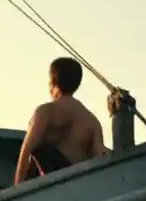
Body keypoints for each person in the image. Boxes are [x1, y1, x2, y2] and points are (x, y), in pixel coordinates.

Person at [13, 57, 109, 186]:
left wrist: (16, 190)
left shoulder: (46, 112)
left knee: (37, 149)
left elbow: (25, 152)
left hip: (54, 185)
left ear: (52, 81)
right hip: (79, 184)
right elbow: (100, 155)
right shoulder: (91, 121)